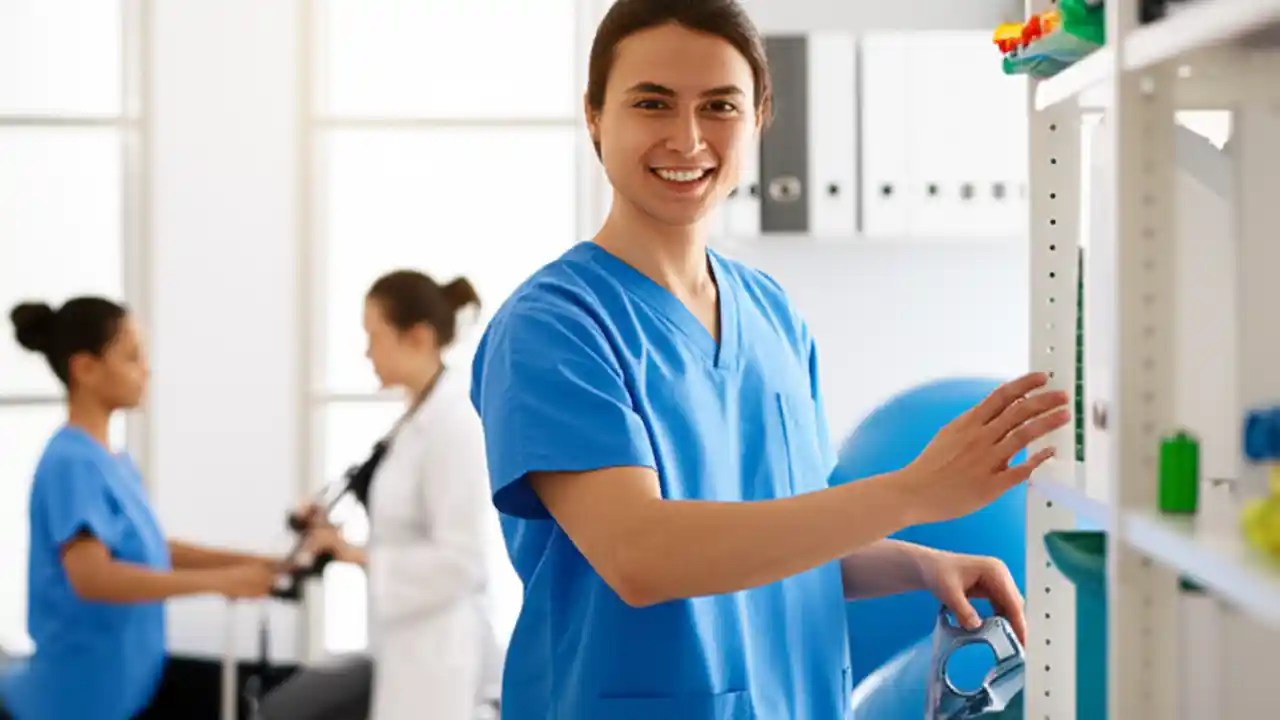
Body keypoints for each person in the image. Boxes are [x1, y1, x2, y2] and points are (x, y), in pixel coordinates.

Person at [467, 1, 1073, 718]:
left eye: (719, 106)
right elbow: (640, 555)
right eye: (652, 103)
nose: (687, 138)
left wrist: (915, 562)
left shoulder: (771, 314)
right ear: (595, 116)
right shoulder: (555, 326)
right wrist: (914, 492)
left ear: (758, 118)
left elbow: (780, 537)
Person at [1, 297, 282, 720]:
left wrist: (255, 563)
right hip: (77, 699)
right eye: (132, 357)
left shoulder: (113, 460)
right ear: (85, 369)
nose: (146, 370)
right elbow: (93, 578)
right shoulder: (70, 462)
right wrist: (222, 581)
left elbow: (149, 549)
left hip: (129, 685)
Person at [291, 270, 507, 720]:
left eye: (374, 336)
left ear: (418, 338)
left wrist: (354, 555)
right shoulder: (414, 420)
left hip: (443, 658)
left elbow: (461, 561)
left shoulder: (453, 424)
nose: (366, 352)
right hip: (409, 651)